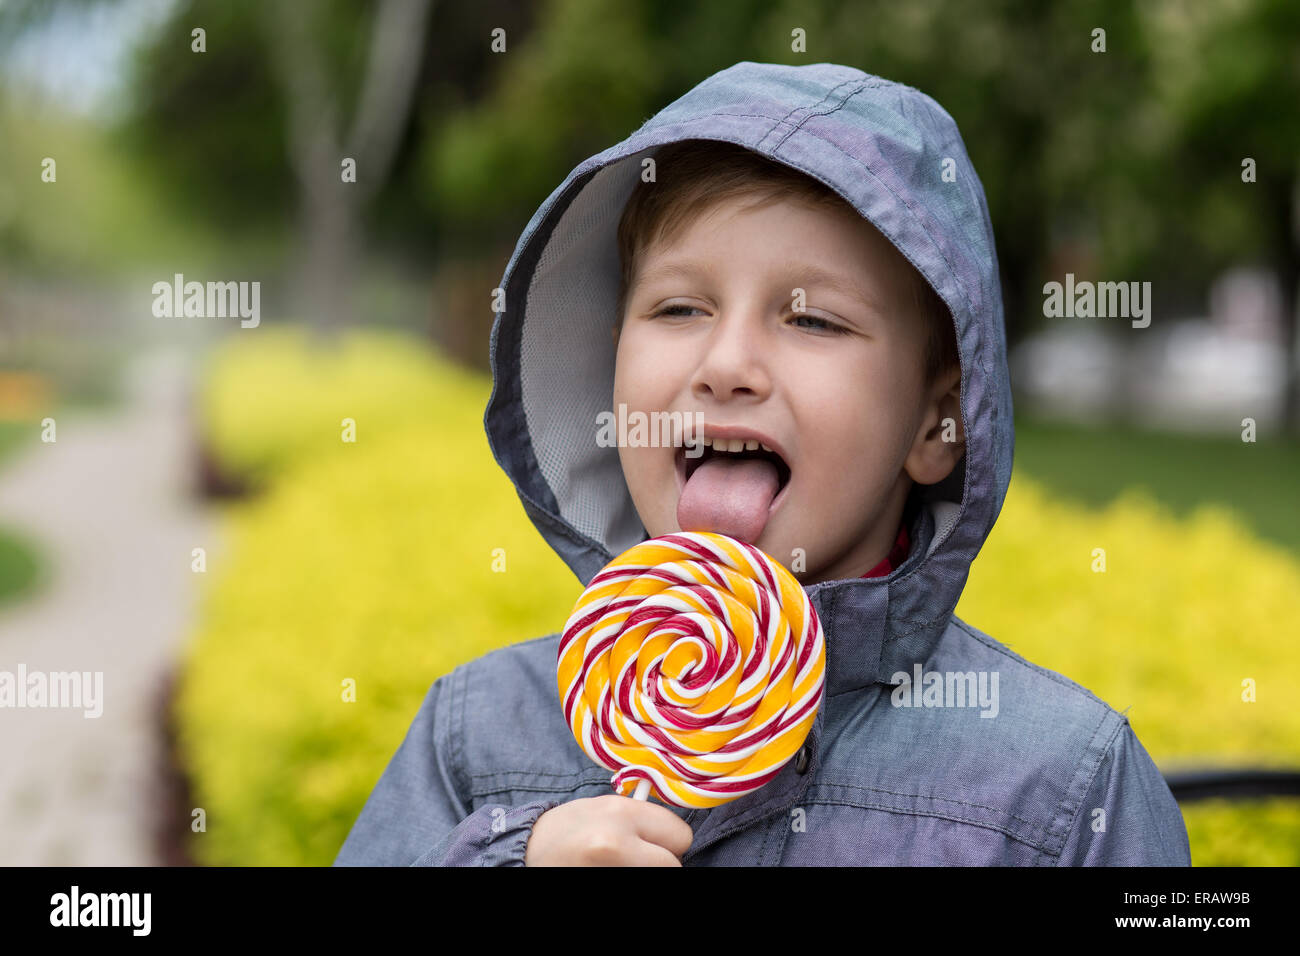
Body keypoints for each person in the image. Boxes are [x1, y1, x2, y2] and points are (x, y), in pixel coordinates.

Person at [334, 61, 1192, 866]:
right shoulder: (476, 735)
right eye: (679, 307)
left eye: (813, 320)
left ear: (938, 423)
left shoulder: (1062, 784)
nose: (727, 363)